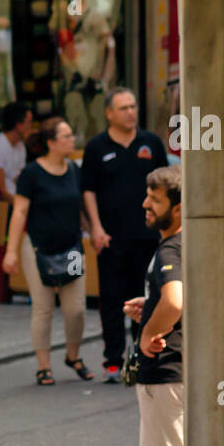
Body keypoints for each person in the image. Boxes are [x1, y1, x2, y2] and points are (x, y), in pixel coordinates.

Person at [118, 166, 185, 446]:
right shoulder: (177, 247)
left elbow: (176, 301)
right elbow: (173, 299)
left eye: (155, 199)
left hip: (167, 374)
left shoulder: (171, 251)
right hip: (161, 376)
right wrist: (149, 309)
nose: (145, 204)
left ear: (177, 209)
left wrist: (149, 336)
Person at [81, 87, 170, 382]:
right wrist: (95, 227)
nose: (131, 112)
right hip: (110, 238)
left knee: (145, 299)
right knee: (112, 301)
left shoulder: (151, 143)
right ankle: (112, 361)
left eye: (133, 106)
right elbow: (88, 191)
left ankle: (141, 356)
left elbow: (165, 189)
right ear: (109, 113)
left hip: (146, 238)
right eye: (124, 108)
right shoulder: (96, 147)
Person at [3, 118, 93, 385]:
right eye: (66, 135)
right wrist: (11, 251)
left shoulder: (75, 170)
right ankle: (44, 365)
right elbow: (19, 211)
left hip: (73, 248)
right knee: (43, 308)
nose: (72, 139)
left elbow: (80, 208)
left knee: (76, 309)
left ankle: (72, 355)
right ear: (51, 143)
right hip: (38, 247)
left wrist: (93, 231)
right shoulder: (31, 173)